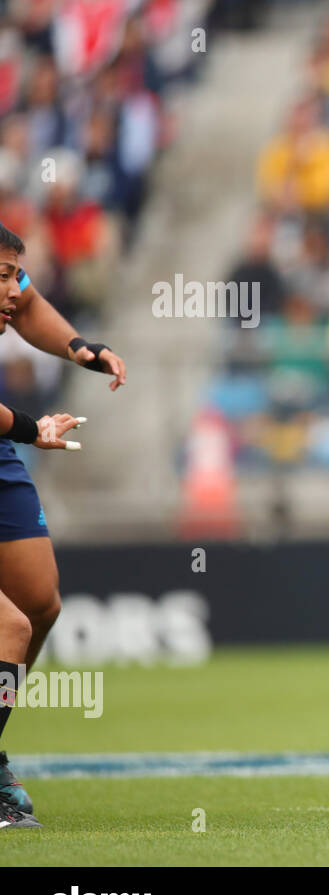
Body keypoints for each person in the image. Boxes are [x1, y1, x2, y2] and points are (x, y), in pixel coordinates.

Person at [0, 221, 124, 830]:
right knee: (8, 629)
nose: (12, 292)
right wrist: (33, 428)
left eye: (12, 275)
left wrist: (80, 348)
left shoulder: (12, 290)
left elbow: (29, 304)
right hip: (7, 431)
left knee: (40, 604)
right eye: (1, 278)